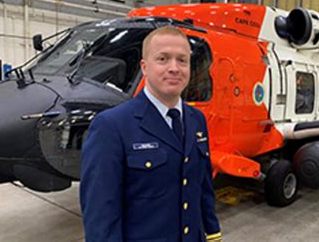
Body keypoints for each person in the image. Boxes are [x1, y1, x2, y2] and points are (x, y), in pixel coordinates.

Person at [80, 26, 222, 242]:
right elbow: (101, 212)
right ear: (144, 67)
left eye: (182, 60)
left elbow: (202, 188)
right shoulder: (112, 126)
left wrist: (212, 234)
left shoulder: (197, 120)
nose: (174, 68)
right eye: (163, 59)